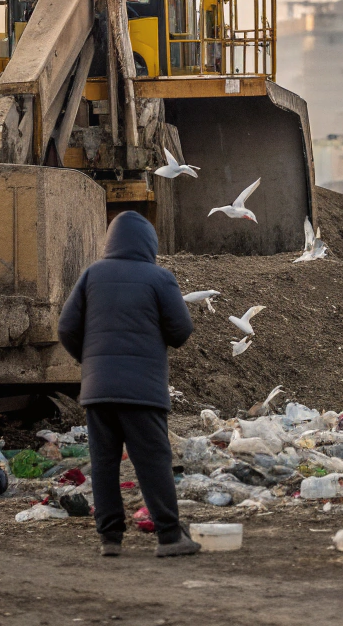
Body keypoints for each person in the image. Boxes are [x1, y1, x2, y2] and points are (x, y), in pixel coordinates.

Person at [57, 211, 199, 558]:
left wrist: (91, 362)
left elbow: (66, 328)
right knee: (153, 461)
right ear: (149, 243)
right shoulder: (159, 278)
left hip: (98, 391)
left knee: (104, 464)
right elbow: (181, 331)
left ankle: (110, 539)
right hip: (142, 391)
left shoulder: (92, 275)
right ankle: (169, 537)